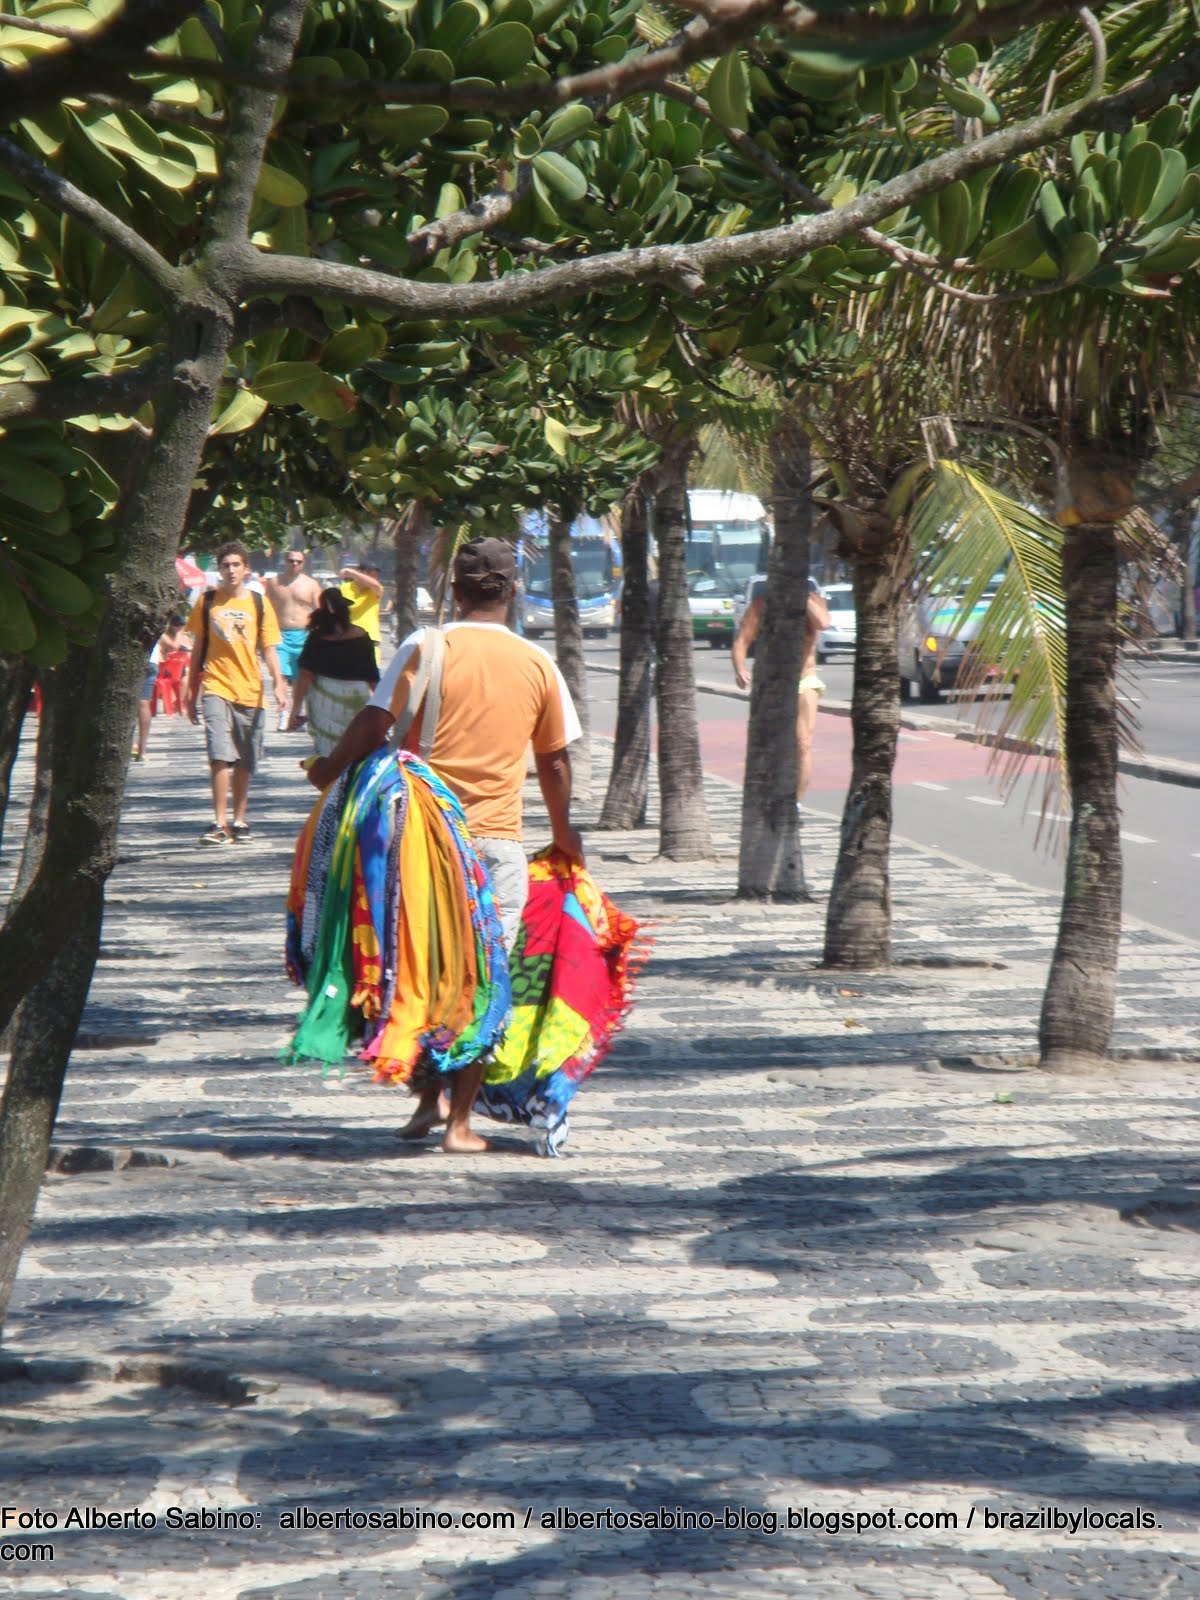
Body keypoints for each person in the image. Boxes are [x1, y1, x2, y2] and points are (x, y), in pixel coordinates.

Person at [305, 536, 583, 1153]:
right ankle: (459, 1123)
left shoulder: (425, 645)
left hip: (423, 842)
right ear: (512, 591)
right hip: (497, 843)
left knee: (422, 970)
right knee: (486, 977)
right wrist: (567, 839)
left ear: (452, 592)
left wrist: (329, 769)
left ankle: (427, 1104)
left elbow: (376, 723)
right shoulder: (539, 664)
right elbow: (555, 761)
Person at [185, 541, 288, 845]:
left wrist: (279, 682)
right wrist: (191, 692)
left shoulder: (259, 603)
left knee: (245, 760)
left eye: (236, 565)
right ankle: (218, 823)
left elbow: (269, 648)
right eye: (225, 565)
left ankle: (239, 821)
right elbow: (197, 651)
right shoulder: (207, 603)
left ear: (246, 569)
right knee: (219, 755)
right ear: (220, 569)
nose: (230, 570)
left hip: (252, 691)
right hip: (216, 686)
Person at [732, 574, 831, 803]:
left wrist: (804, 597)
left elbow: (823, 623)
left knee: (803, 743)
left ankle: (794, 803)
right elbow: (741, 642)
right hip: (773, 682)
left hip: (805, 678)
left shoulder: (814, 600)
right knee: (771, 744)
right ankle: (767, 795)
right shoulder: (762, 605)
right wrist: (739, 668)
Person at [288, 587, 380, 755]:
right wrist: (382, 709)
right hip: (357, 699)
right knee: (356, 751)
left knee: (329, 753)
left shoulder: (317, 638)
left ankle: (333, 780)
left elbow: (306, 675)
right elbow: (373, 677)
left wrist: (295, 711)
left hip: (324, 700)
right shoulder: (361, 635)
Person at [265, 549, 322, 731]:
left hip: (304, 635)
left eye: (298, 561)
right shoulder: (274, 583)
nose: (294, 564)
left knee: (301, 678)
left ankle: (296, 715)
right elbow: (265, 608)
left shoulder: (311, 584)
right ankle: (283, 712)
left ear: (303, 563)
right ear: (285, 561)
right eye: (291, 561)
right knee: (279, 675)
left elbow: (320, 611)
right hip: (279, 634)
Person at [133, 616, 191, 761]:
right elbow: (174, 646)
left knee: (137, 704)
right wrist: (179, 632)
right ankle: (142, 750)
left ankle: (135, 745)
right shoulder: (155, 625)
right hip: (151, 663)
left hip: (143, 663)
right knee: (143, 704)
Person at [338, 561, 384, 662]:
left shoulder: (376, 590)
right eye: (369, 575)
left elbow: (375, 585)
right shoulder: (344, 588)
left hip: (370, 641)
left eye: (375, 576)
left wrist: (352, 573)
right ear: (360, 572)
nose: (371, 579)